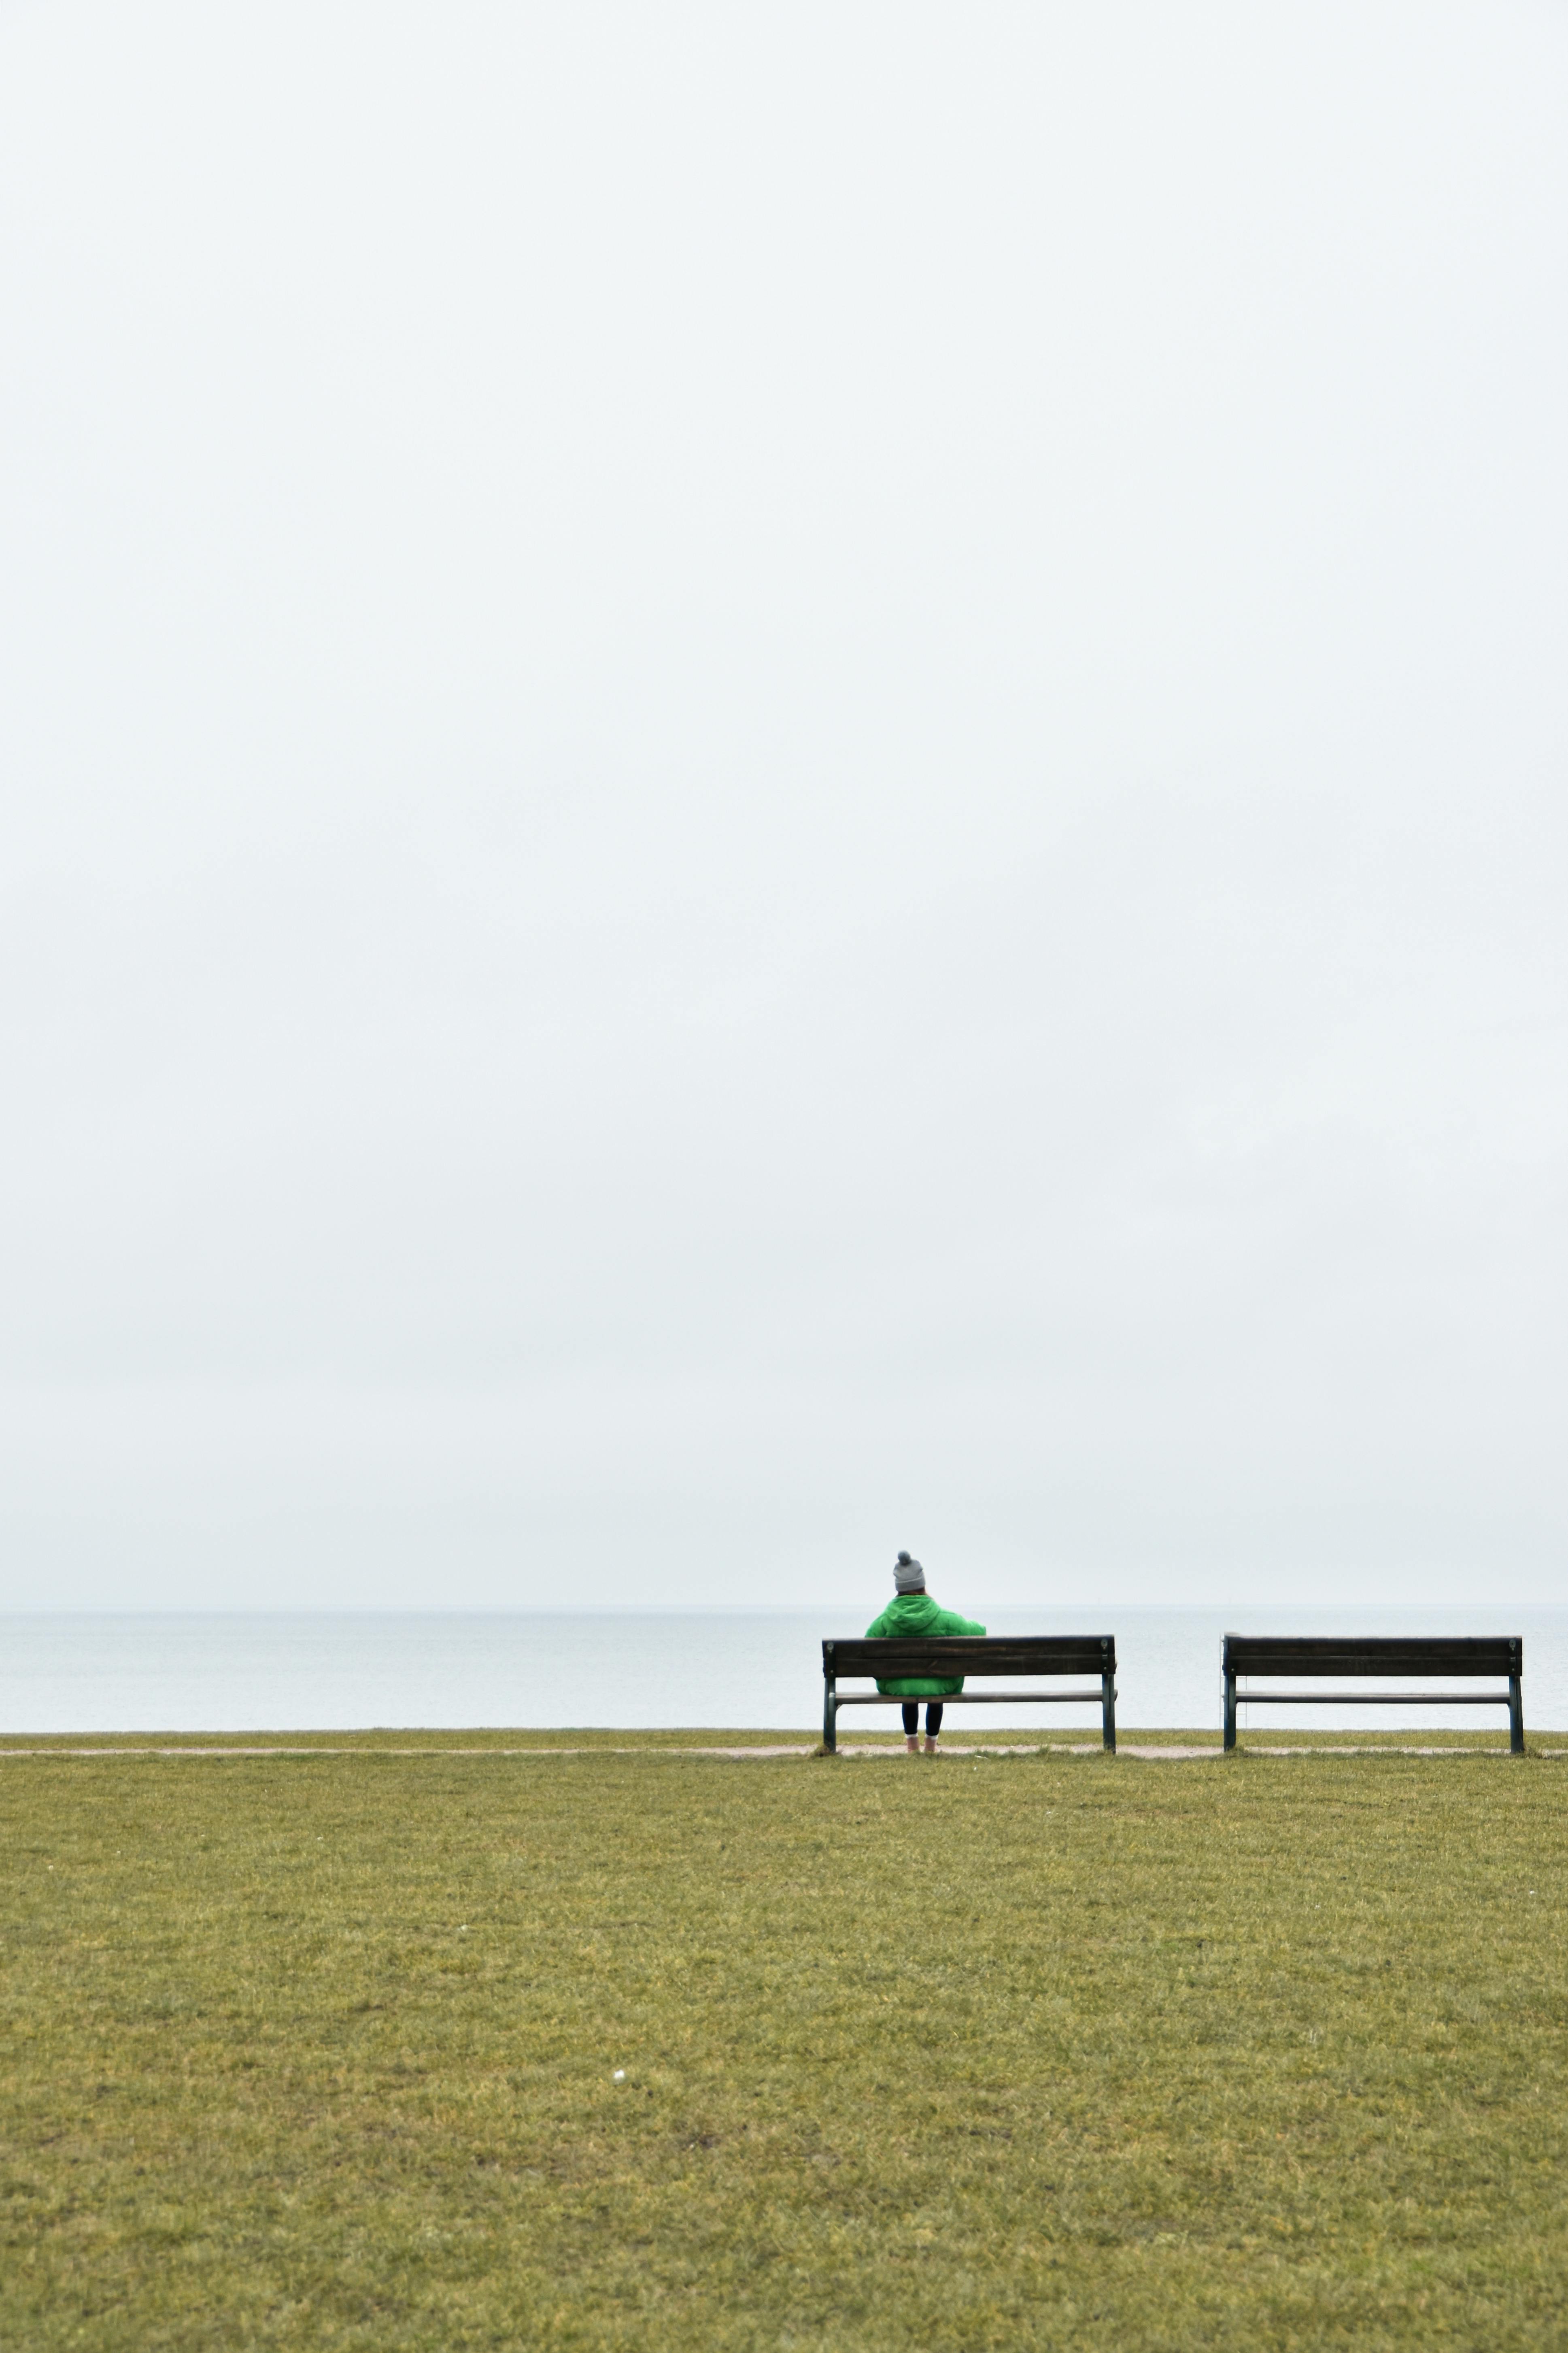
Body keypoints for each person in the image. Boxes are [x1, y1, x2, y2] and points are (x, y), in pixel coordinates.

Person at [864, 1550, 986, 1755]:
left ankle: (912, 1747)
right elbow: (980, 1632)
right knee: (936, 1688)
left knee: (908, 1686)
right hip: (940, 1683)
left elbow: (866, 1649)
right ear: (922, 1585)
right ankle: (931, 1748)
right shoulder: (944, 1617)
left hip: (899, 1684)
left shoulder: (884, 1620)